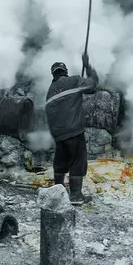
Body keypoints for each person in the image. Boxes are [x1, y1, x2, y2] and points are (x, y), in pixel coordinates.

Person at [45, 55, 99, 205]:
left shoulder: (51, 90)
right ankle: (75, 196)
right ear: (65, 71)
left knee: (61, 162)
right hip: (73, 130)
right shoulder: (73, 81)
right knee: (77, 161)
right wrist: (87, 65)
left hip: (58, 134)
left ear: (53, 74)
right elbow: (93, 85)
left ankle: (58, 193)